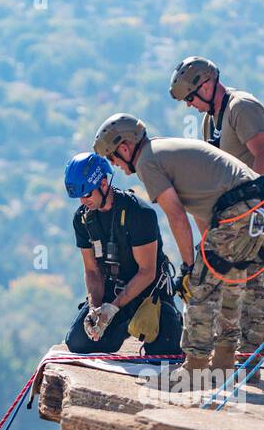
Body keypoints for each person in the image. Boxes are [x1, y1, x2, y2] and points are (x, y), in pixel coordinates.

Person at [93, 113, 264, 389]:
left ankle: (195, 370)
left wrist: (190, 268)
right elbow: (202, 207)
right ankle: (237, 366)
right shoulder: (163, 149)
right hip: (261, 211)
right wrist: (206, 255)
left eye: (112, 157)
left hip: (236, 214)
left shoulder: (146, 162)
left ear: (125, 148)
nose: (114, 164)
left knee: (201, 290)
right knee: (245, 288)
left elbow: (177, 216)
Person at [170, 57, 264, 371]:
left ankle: (248, 362)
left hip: (260, 205)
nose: (190, 105)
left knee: (251, 284)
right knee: (233, 279)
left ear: (207, 85)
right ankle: (231, 358)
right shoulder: (211, 119)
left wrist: (254, 208)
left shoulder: (241, 108)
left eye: (191, 97)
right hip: (235, 211)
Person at [63, 152, 183, 357]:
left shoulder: (139, 213)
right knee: (78, 342)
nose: (83, 201)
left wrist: (112, 309)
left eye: (87, 194)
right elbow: (92, 271)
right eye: (79, 197)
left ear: (103, 184)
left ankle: (170, 321)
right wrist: (96, 309)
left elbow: (147, 272)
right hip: (113, 291)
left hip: (149, 294)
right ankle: (116, 331)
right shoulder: (83, 220)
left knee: (163, 353)